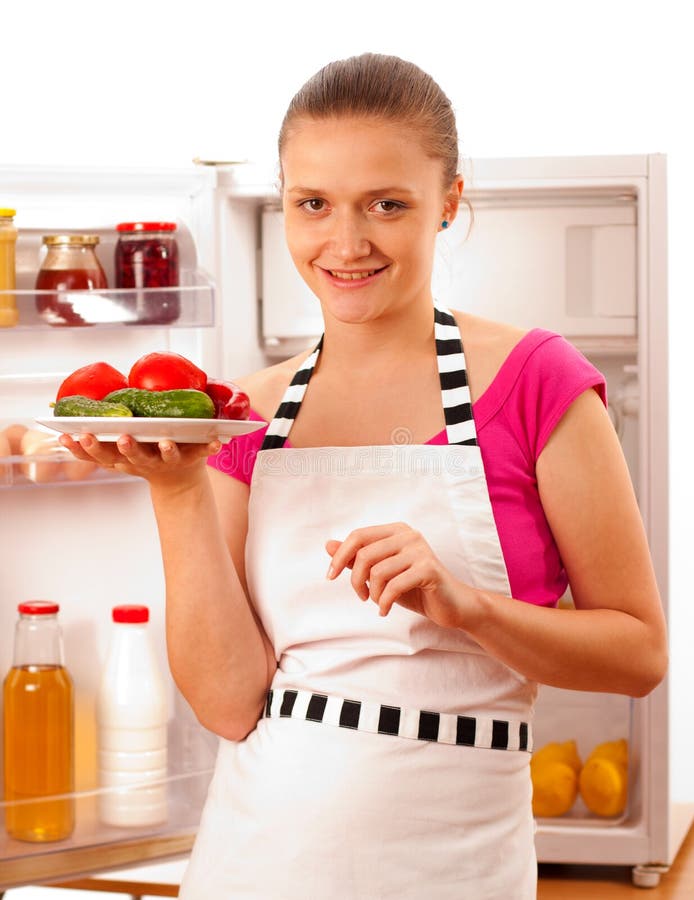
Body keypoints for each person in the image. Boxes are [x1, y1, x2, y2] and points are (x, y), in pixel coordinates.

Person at [61, 53, 668, 899]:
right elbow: (231, 704)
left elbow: (639, 653)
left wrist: (470, 609)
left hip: (457, 866)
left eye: (387, 204)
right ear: (285, 207)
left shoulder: (538, 383)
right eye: (314, 204)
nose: (346, 244)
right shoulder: (249, 411)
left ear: (449, 203)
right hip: (256, 859)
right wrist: (177, 493)